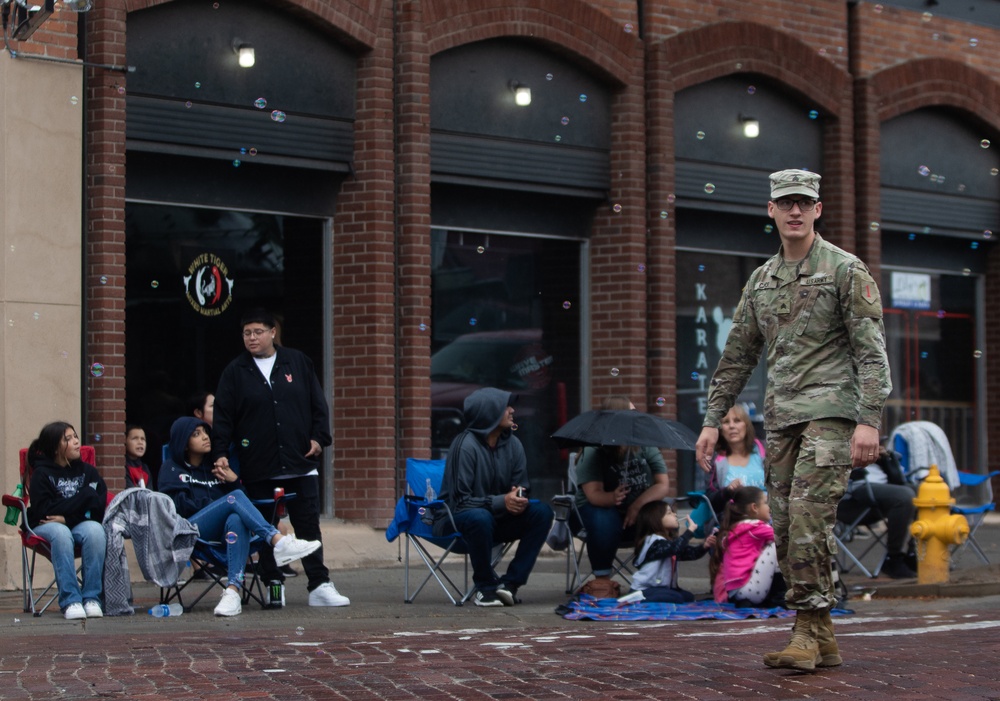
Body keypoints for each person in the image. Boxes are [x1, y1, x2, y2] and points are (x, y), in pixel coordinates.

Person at [694, 169, 892, 671]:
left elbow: (872, 355)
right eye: (786, 203)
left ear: (818, 209)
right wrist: (712, 420)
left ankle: (804, 631)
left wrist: (869, 420)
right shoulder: (761, 281)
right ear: (772, 210)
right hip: (781, 420)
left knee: (807, 519)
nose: (795, 211)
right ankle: (823, 636)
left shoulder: (846, 270)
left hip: (831, 416)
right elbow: (736, 356)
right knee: (782, 524)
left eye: (804, 202)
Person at [211, 308, 348, 607]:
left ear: (273, 332)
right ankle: (273, 583)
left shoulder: (297, 362)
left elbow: (317, 404)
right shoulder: (235, 371)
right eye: (246, 333)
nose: (252, 338)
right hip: (259, 464)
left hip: (300, 462)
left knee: (308, 526)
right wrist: (220, 453)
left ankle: (320, 584)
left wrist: (319, 438)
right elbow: (223, 418)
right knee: (264, 528)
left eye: (258, 332)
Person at [158, 416, 321, 616]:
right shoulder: (172, 468)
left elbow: (244, 504)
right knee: (232, 499)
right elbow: (176, 507)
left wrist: (234, 480)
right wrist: (218, 506)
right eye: (196, 434)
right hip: (190, 529)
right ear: (183, 442)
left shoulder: (216, 469)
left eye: (206, 432)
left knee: (236, 518)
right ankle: (276, 540)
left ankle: (233, 592)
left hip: (221, 532)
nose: (205, 437)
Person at [434, 387, 554, 607]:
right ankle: (485, 587)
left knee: (542, 512)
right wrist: (502, 502)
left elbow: (522, 486)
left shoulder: (514, 444)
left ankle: (510, 585)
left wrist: (518, 499)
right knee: (480, 517)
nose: (512, 410)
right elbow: (460, 502)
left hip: (496, 520)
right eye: (506, 406)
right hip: (456, 521)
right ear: (489, 412)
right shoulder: (464, 445)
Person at [574, 396, 671, 581]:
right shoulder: (594, 450)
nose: (636, 417)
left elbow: (662, 484)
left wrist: (637, 506)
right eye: (631, 412)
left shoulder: (644, 444)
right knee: (604, 519)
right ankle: (602, 579)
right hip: (596, 512)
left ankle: (659, 577)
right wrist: (612, 497)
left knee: (666, 517)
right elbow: (594, 495)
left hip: (635, 513)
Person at [25, 421, 108, 620]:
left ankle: (91, 598)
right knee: (61, 533)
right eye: (68, 439)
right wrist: (84, 497)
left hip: (75, 522)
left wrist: (66, 517)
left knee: (96, 530)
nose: (76, 442)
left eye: (75, 436)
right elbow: (44, 511)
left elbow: (97, 507)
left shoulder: (88, 472)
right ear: (55, 448)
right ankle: (71, 600)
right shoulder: (42, 474)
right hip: (44, 525)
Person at [837, 445, 917, 579]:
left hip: (882, 487)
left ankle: (914, 553)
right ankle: (893, 558)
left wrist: (882, 453)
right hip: (854, 494)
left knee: (926, 492)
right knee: (904, 496)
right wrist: (866, 452)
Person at [622, 500, 716, 603]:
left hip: (662, 589)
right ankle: (635, 600)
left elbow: (690, 553)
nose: (675, 515)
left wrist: (705, 546)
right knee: (676, 598)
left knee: (688, 597)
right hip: (644, 589)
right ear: (656, 520)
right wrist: (689, 532)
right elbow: (674, 548)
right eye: (669, 513)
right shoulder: (653, 542)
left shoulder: (669, 542)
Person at [710, 486, 787, 607]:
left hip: (735, 592)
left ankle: (770, 597)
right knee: (777, 546)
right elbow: (784, 538)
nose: (770, 506)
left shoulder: (739, 526)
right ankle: (779, 596)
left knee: (773, 544)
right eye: (766, 502)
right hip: (749, 590)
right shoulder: (755, 527)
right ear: (754, 507)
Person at [124, 424, 151, 489]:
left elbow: (150, 493)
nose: (140, 442)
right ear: (125, 442)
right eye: (135, 438)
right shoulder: (123, 467)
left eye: (143, 439)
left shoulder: (145, 468)